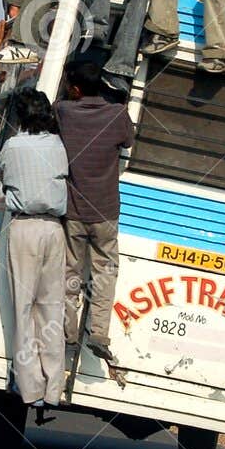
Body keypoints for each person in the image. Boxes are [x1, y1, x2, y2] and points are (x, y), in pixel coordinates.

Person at [0, 88, 70, 411]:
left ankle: (30, 388)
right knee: (52, 308)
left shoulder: (12, 146)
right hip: (55, 229)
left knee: (22, 310)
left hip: (23, 227)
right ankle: (54, 387)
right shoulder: (58, 145)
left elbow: (2, 175)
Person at [55, 62, 134, 365]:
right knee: (105, 272)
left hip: (73, 212)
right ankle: (99, 333)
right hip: (106, 211)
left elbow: (55, 109)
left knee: (69, 274)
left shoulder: (64, 112)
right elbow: (128, 141)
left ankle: (67, 332)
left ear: (74, 89)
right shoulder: (117, 115)